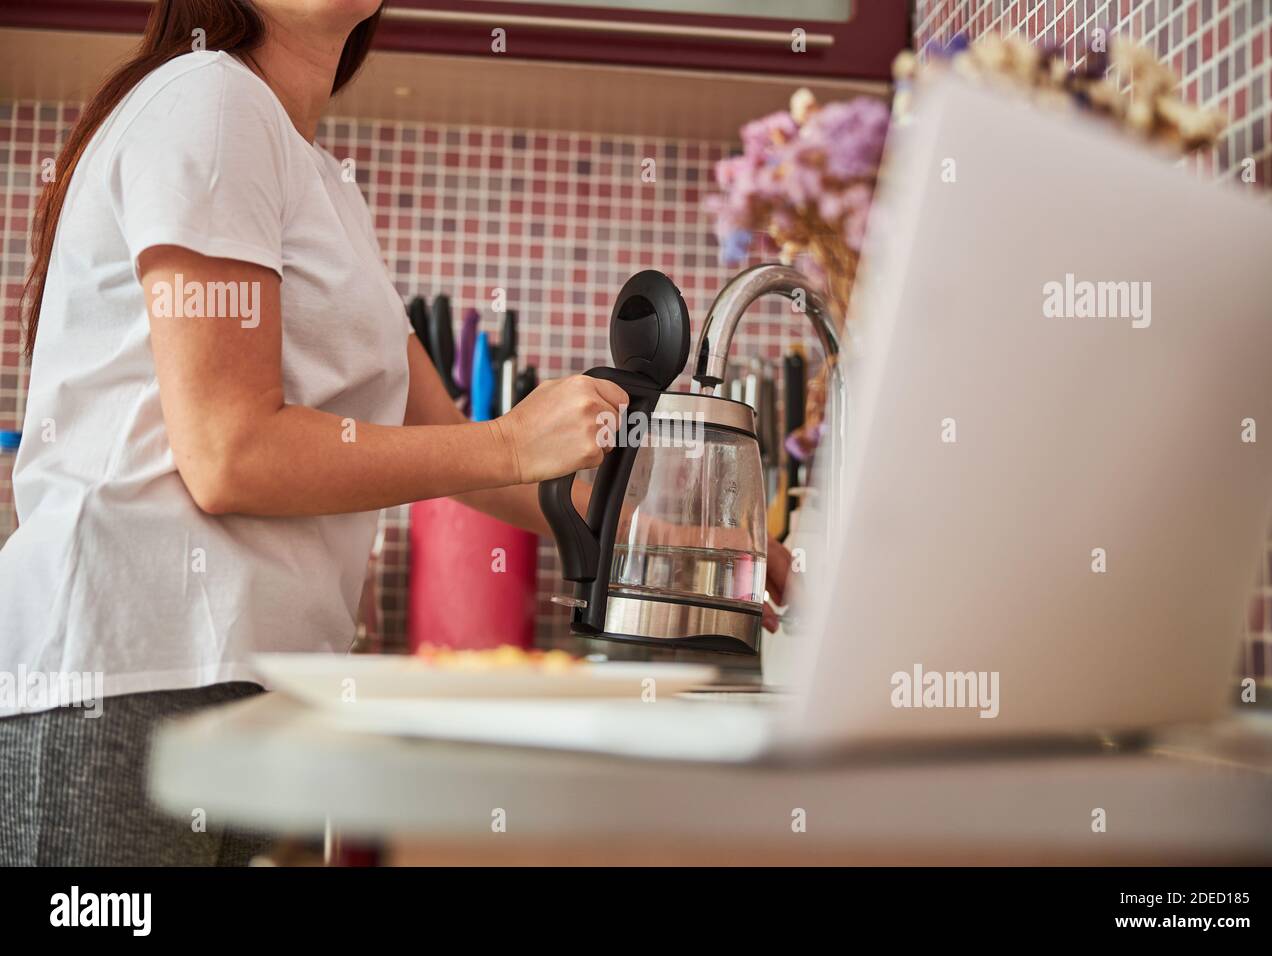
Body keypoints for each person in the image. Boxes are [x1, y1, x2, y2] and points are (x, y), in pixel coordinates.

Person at [0, 0, 788, 865]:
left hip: (253, 679)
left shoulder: (321, 181)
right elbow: (229, 455)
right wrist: (515, 439)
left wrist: (696, 550)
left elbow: (466, 457)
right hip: (124, 670)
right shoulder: (206, 98)